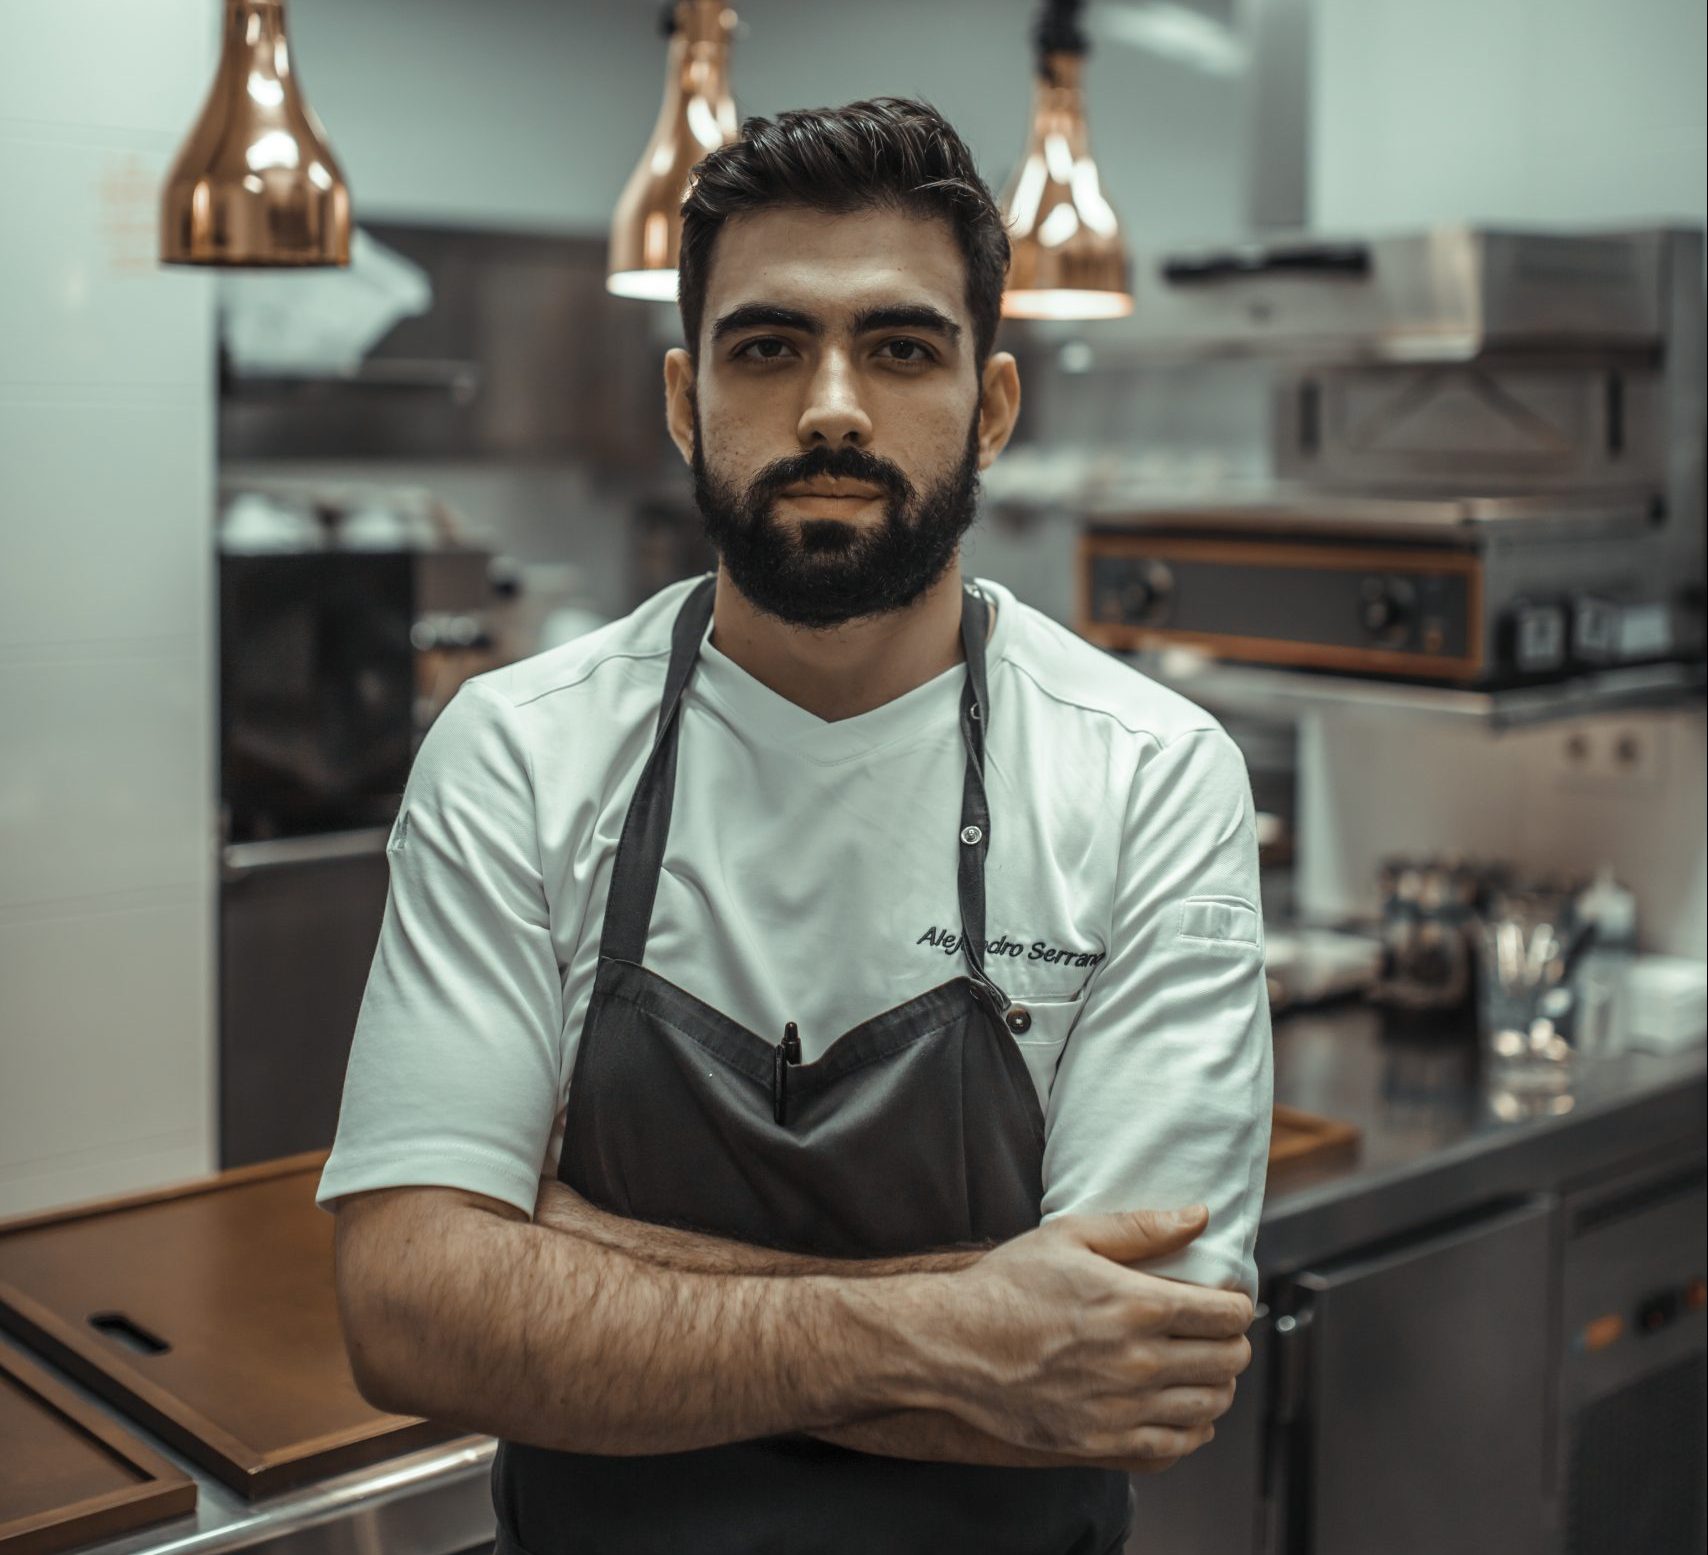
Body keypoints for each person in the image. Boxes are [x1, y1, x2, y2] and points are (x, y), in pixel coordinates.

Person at [321, 97, 1272, 1555]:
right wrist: (977, 1328)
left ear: (993, 408)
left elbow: (1125, 1374)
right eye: (768, 347)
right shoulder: (521, 750)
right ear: (686, 400)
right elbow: (409, 1311)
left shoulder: (1150, 774)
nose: (833, 407)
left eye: (901, 349)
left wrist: (564, 1257)